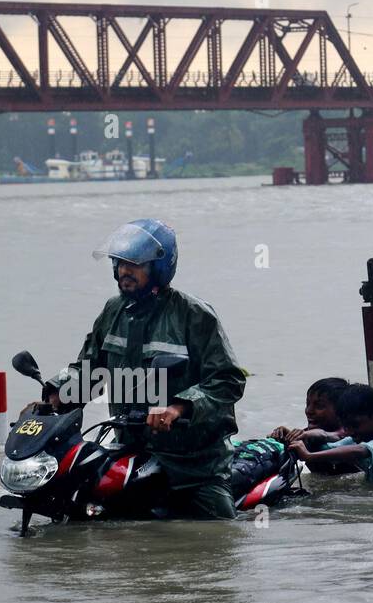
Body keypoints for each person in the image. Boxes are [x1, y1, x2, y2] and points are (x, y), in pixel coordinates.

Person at [39, 219, 246, 519]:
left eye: (135, 264)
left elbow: (227, 381)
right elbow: (90, 371)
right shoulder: (113, 311)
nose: (124, 271)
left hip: (193, 463)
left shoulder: (194, 315)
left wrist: (178, 408)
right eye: (120, 263)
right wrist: (55, 395)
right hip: (127, 448)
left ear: (158, 268)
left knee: (218, 530)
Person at [286, 383, 373, 488]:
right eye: (346, 426)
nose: (350, 431)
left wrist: (308, 456)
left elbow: (359, 452)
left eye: (355, 425)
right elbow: (328, 445)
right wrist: (297, 437)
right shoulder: (356, 438)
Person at [269, 376, 358, 475]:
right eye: (307, 404)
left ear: (341, 411)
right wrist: (286, 438)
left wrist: (305, 435)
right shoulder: (307, 436)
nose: (309, 411)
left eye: (319, 406)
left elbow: (334, 435)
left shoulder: (355, 436)